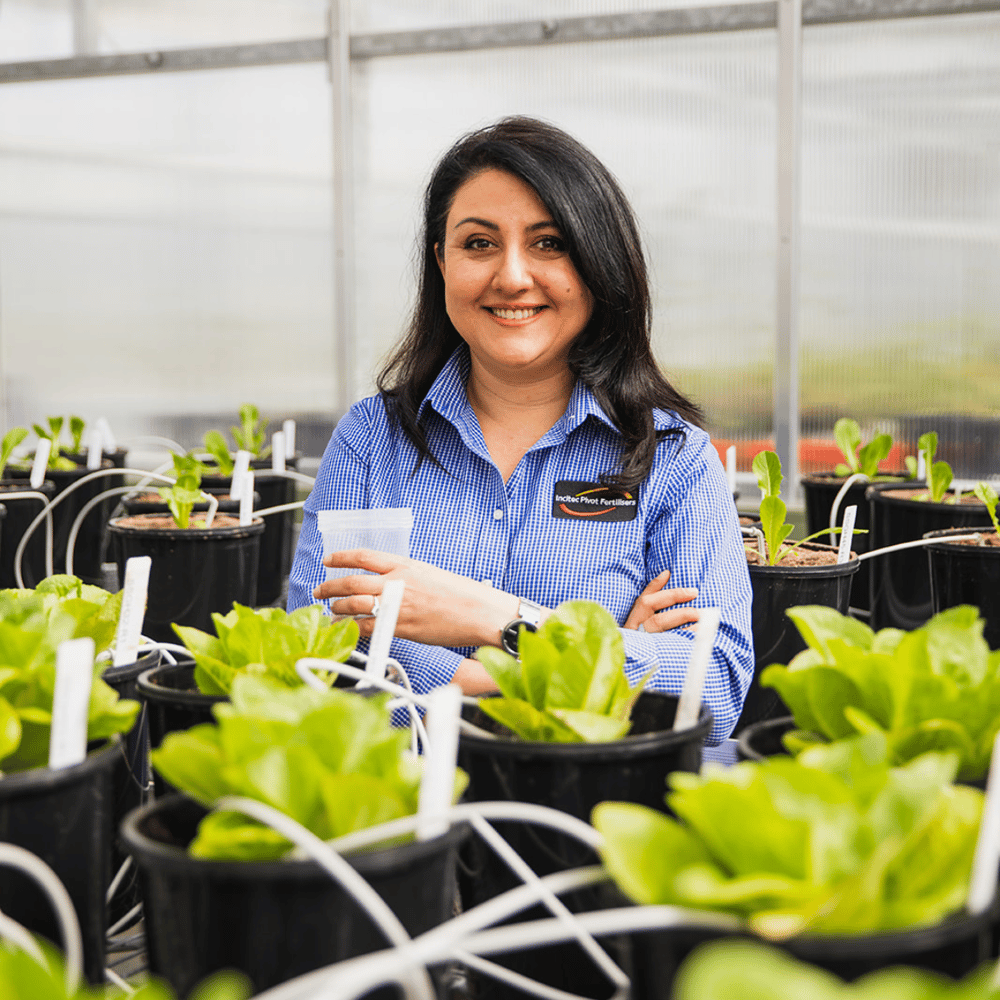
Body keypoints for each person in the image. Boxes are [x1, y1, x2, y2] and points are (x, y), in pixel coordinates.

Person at [287, 116, 753, 743]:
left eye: (549, 243)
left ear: (597, 263)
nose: (511, 277)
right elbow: (315, 657)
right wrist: (599, 658)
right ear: (441, 263)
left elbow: (712, 687)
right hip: (405, 816)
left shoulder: (674, 461)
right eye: (478, 243)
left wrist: (494, 623)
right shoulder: (371, 441)